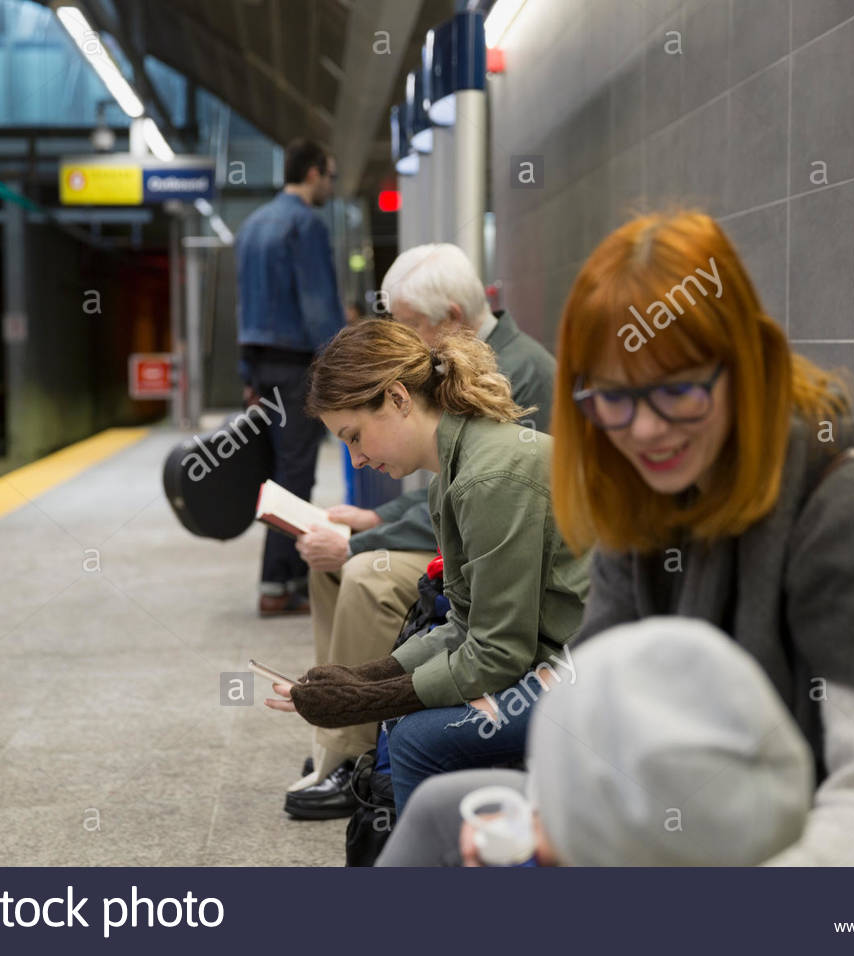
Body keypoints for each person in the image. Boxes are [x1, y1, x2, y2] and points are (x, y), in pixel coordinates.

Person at [547, 210, 854, 864]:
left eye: (677, 389)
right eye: (614, 398)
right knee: (453, 810)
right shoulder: (648, 501)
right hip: (710, 839)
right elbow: (585, 716)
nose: (644, 430)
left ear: (747, 365)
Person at [264, 319, 589, 816]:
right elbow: (462, 623)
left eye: (354, 437)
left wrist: (367, 700)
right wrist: (361, 678)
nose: (355, 460)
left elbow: (498, 653)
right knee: (407, 729)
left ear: (398, 399)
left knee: (416, 738)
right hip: (554, 659)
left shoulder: (487, 476)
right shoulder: (454, 472)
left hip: (583, 671)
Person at [378, 618, 816, 866]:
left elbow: (499, 645)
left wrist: (554, 837)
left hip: (683, 804)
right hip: (650, 781)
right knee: (440, 801)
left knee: (417, 741)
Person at [236, 137, 345, 617]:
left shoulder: (253, 225)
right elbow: (319, 304)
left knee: (280, 472)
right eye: (331, 175)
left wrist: (246, 374)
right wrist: (341, 361)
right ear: (315, 172)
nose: (332, 186)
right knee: (297, 474)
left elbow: (244, 305)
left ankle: (277, 579)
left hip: (261, 366)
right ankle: (282, 585)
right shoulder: (306, 226)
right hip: (297, 364)